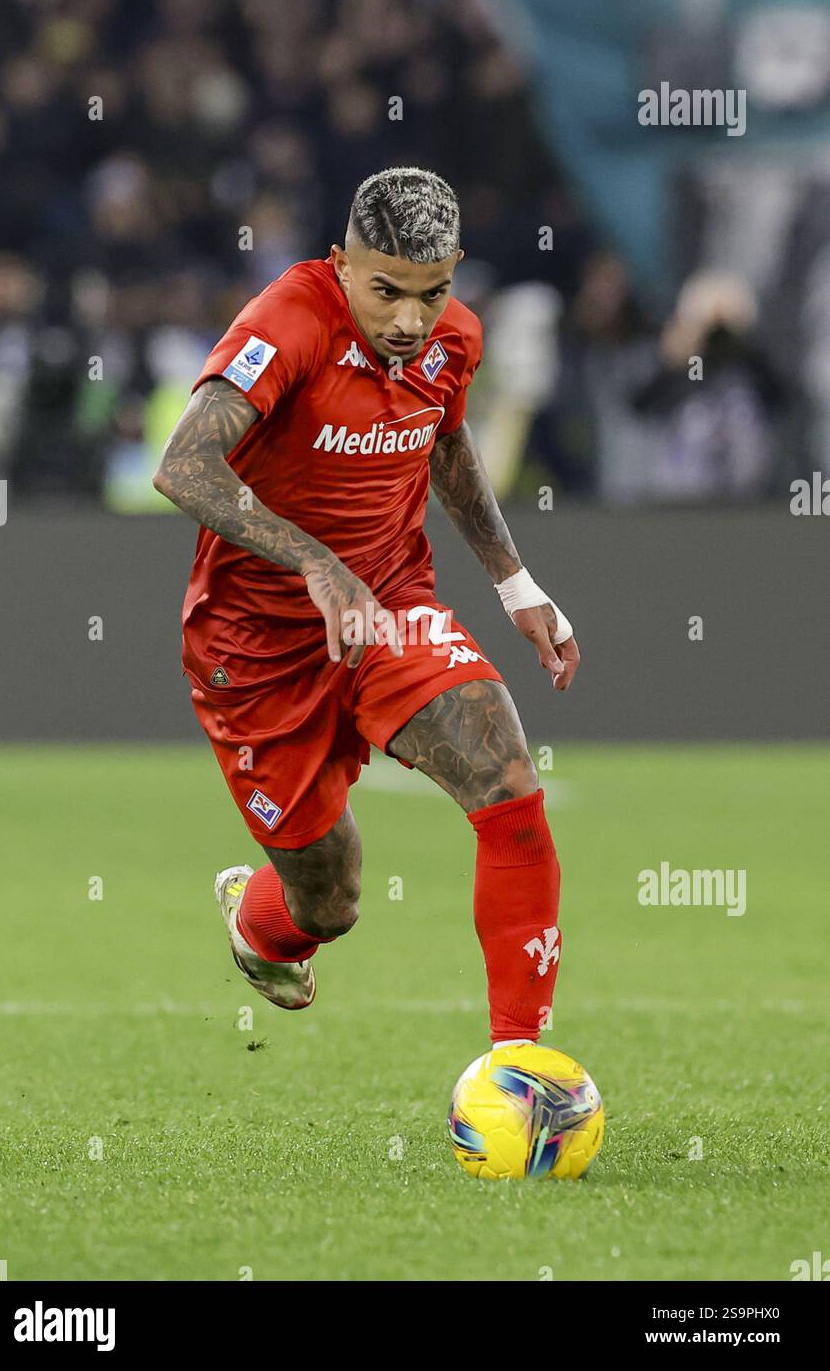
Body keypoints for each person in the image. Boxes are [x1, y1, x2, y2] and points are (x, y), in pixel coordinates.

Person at [153, 167, 580, 1049]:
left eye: (432, 293)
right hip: (256, 647)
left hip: (389, 605)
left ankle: (521, 1067)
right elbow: (183, 466)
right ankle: (258, 921)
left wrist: (514, 581)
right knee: (329, 900)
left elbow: (446, 442)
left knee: (505, 774)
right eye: (385, 290)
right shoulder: (288, 321)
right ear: (342, 262)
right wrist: (316, 563)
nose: (408, 321)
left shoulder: (453, 340)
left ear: (455, 271)